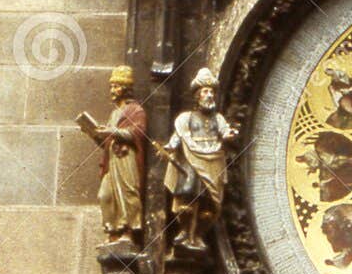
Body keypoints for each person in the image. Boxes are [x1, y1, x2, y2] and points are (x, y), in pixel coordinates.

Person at [163, 67, 239, 251]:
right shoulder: (187, 118)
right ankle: (184, 230)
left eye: (211, 92)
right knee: (187, 193)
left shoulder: (218, 119)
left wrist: (230, 135)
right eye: (205, 91)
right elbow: (179, 135)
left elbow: (225, 131)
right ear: (197, 96)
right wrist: (170, 146)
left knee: (208, 202)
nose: (209, 95)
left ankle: (198, 234)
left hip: (212, 159)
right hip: (192, 159)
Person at [77, 65, 147, 243]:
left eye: (116, 86)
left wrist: (112, 131)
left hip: (126, 158)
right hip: (112, 159)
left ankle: (128, 230)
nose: (112, 90)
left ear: (125, 89)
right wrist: (93, 133)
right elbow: (106, 142)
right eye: (112, 86)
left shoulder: (136, 110)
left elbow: (137, 133)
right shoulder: (114, 113)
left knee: (128, 192)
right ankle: (113, 231)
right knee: (105, 195)